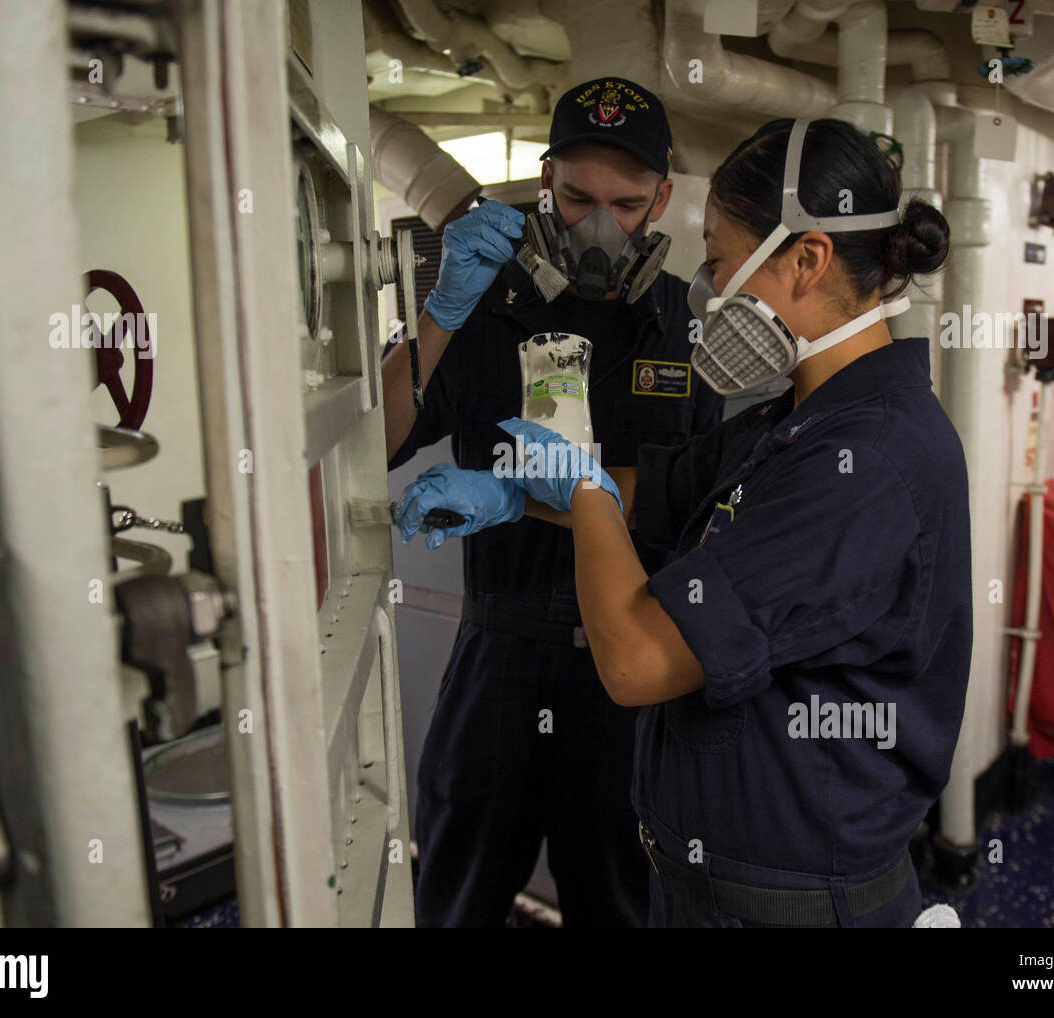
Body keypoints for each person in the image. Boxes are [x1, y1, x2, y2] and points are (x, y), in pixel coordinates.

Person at [397, 117, 972, 927]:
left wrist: (585, 489)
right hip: (715, 884)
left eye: (721, 256)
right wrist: (516, 493)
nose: (709, 286)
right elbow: (662, 488)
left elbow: (633, 661)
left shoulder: (866, 461)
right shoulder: (800, 417)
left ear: (806, 260)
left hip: (793, 902)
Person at [382, 76, 724, 927]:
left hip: (627, 665)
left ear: (664, 201)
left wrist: (516, 494)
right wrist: (441, 310)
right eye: (575, 198)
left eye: (626, 202)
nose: (599, 225)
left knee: (620, 901)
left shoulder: (692, 326)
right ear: (544, 183)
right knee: (455, 897)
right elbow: (378, 439)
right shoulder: (487, 306)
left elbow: (699, 499)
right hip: (499, 649)